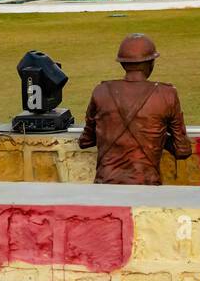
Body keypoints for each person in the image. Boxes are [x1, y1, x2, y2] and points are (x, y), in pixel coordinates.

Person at [78, 34, 192, 185]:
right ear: (151, 63)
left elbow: (85, 141)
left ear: (123, 64)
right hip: (146, 185)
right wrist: (156, 137)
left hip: (105, 185)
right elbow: (182, 150)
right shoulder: (166, 94)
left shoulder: (101, 91)